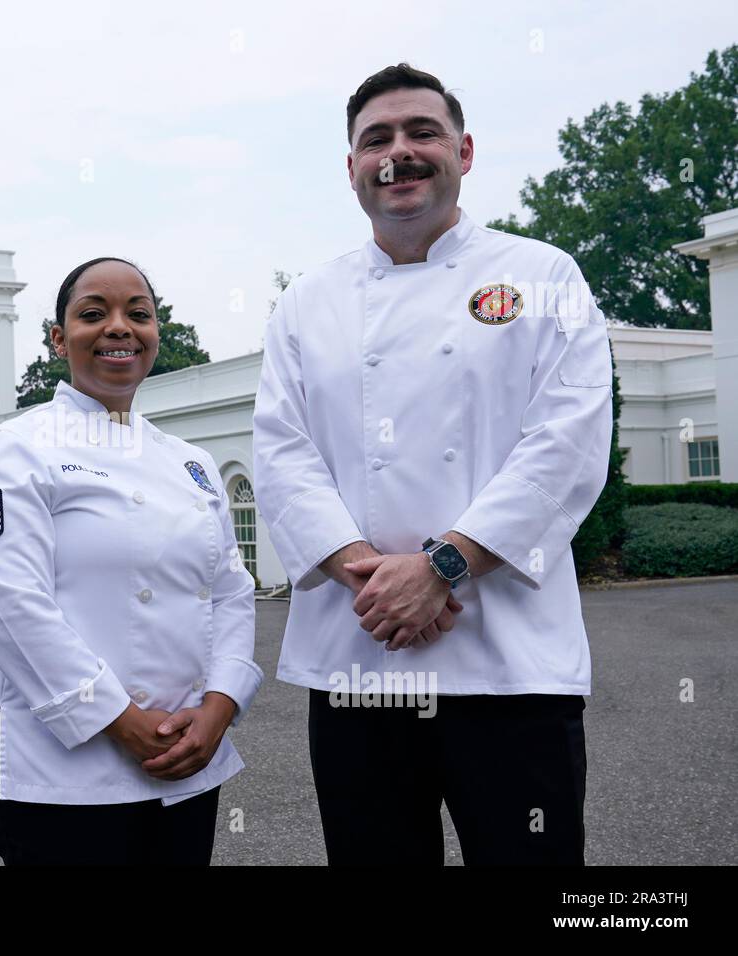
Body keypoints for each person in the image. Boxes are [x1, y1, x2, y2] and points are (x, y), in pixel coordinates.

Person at [252, 64, 612, 866]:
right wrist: (369, 575)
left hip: (511, 667)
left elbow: (569, 441)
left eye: (422, 132)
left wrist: (443, 564)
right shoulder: (307, 302)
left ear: (465, 150)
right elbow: (281, 453)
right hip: (361, 661)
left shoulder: (543, 275)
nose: (399, 153)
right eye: (375, 139)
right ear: (351, 167)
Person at [0, 257, 263, 866]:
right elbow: (11, 605)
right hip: (57, 768)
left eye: (139, 314)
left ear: (157, 334)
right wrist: (117, 719)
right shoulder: (19, 448)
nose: (119, 327)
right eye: (93, 314)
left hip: (185, 758)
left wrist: (221, 705)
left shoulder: (191, 462)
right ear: (57, 338)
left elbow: (230, 590)